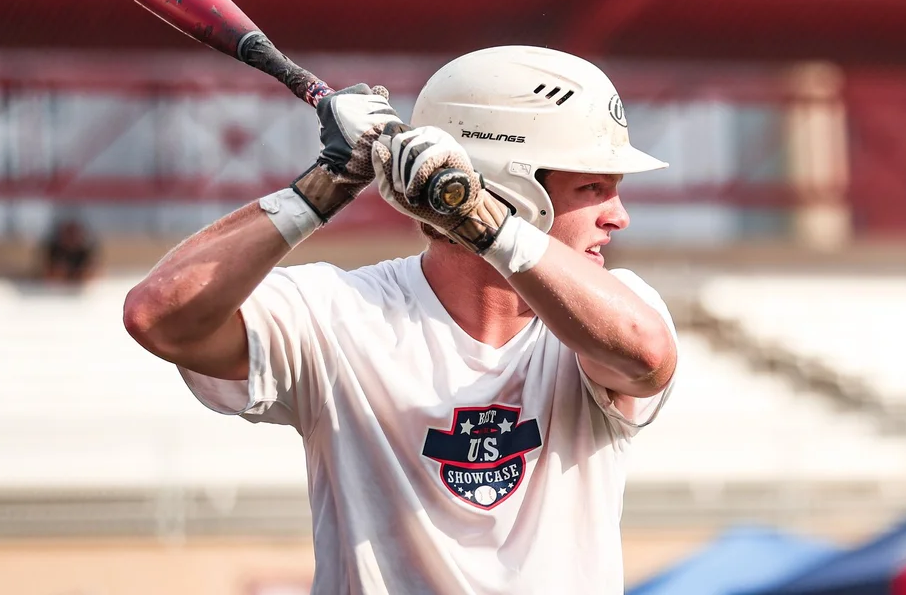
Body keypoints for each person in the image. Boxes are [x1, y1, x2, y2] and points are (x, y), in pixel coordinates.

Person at [122, 46, 678, 594]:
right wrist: (323, 186)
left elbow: (646, 356)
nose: (619, 216)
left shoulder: (612, 312)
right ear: (517, 191)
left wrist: (484, 220)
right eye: (593, 188)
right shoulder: (337, 311)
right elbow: (158, 317)